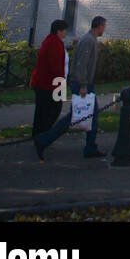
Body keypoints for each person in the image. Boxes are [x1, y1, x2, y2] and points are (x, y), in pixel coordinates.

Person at [35, 16, 107, 159]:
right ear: (98, 26)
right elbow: (81, 64)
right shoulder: (88, 41)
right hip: (81, 83)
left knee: (90, 115)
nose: (104, 29)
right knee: (77, 116)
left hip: (81, 82)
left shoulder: (89, 40)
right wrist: (83, 84)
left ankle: (90, 146)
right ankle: (43, 140)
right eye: (104, 26)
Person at [30, 20, 69, 147]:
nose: (65, 33)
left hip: (44, 83)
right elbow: (56, 67)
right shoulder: (54, 43)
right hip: (49, 84)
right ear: (59, 31)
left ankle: (38, 135)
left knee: (42, 111)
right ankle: (42, 136)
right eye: (64, 30)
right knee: (52, 110)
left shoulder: (51, 41)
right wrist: (61, 85)